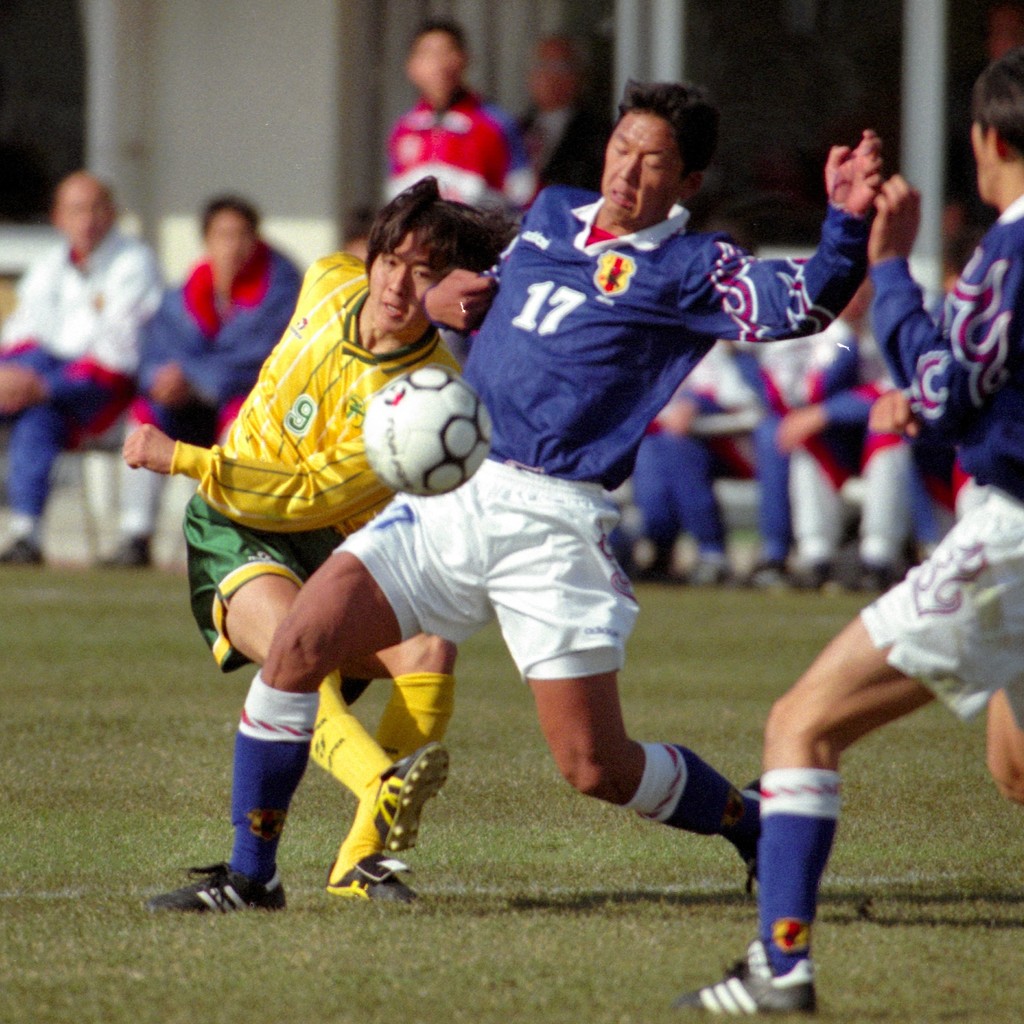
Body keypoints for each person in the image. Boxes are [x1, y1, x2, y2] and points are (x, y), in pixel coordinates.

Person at [237, 81, 880, 920]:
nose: (628, 171)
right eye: (622, 149)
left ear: (686, 184)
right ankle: (251, 877)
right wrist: (436, 298)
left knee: (593, 767)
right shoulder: (546, 215)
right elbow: (462, 277)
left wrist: (848, 224)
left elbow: (806, 302)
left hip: (554, 522)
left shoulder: (694, 268)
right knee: (298, 645)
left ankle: (752, 825)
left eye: (653, 162)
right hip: (453, 492)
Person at [678, 46, 1024, 1014]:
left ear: (987, 138)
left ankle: (778, 968)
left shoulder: (1011, 246)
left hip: (1011, 537)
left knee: (800, 723)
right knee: (1013, 768)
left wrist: (890, 267)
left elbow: (941, 391)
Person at [129, 178, 513, 910]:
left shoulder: (427, 398)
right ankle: (366, 795)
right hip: (233, 525)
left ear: (448, 291)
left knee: (432, 651)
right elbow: (358, 257)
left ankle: (360, 860)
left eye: (426, 272)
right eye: (393, 260)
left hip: (327, 542)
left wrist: (178, 455)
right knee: (287, 651)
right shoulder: (328, 279)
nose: (400, 283)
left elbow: (307, 493)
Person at [105, 195, 303, 568]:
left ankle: (231, 532)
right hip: (184, 406)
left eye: (242, 234)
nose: (233, 245)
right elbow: (153, 353)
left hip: (239, 403)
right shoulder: (184, 294)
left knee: (241, 422)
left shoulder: (282, 292)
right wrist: (161, 380)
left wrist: (194, 378)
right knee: (145, 415)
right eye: (222, 234)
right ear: (207, 241)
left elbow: (262, 360)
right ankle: (136, 534)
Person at [0, 171, 162, 565]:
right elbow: (21, 332)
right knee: (35, 416)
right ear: (58, 217)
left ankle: (130, 538)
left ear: (113, 214)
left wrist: (39, 384)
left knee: (39, 411)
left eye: (96, 208)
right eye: (76, 210)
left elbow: (117, 355)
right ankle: (26, 533)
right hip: (47, 384)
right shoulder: (50, 264)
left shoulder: (133, 262)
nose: (87, 220)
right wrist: (15, 377)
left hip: (108, 392)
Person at [768, 280, 914, 592]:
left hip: (876, 434)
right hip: (835, 440)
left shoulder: (890, 325)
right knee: (806, 441)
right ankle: (816, 555)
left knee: (890, 437)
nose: (856, 302)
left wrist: (825, 413)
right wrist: (845, 342)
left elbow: (894, 391)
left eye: (863, 294)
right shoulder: (816, 333)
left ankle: (879, 557)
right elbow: (807, 393)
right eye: (849, 293)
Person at [386, 18, 535, 212]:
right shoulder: (404, 128)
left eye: (445, 52)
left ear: (464, 58)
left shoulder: (497, 123)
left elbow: (523, 194)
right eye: (427, 54)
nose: (438, 65)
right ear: (412, 66)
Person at [519, 34, 611, 195]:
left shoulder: (598, 134)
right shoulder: (516, 128)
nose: (549, 76)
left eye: (560, 67)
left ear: (580, 77)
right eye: (542, 66)